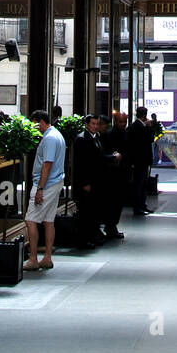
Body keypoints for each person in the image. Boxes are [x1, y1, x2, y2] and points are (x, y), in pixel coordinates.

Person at [24, 110, 66, 270]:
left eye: (34, 124)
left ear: (40, 121)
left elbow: (47, 164)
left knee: (30, 219)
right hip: (55, 182)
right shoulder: (57, 135)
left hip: (46, 184)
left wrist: (40, 188)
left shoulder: (49, 138)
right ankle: (47, 257)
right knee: (48, 221)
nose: (34, 128)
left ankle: (33, 258)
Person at [72, 113, 105, 247]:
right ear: (87, 124)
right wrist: (84, 183)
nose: (95, 126)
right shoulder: (82, 139)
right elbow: (80, 164)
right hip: (86, 182)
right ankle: (84, 239)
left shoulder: (96, 137)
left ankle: (92, 236)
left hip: (95, 180)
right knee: (85, 212)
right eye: (93, 124)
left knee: (93, 210)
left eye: (97, 124)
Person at [100, 112, 127, 239]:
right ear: (115, 121)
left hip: (120, 173)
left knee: (117, 202)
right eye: (121, 122)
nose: (123, 124)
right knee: (113, 202)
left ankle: (111, 226)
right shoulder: (110, 135)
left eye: (124, 122)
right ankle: (110, 226)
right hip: (113, 174)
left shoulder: (122, 133)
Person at [128, 106, 154, 215]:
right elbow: (149, 139)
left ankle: (142, 205)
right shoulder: (140, 127)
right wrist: (149, 128)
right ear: (144, 115)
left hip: (139, 160)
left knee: (141, 184)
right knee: (139, 184)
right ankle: (138, 206)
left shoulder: (134, 126)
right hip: (141, 160)